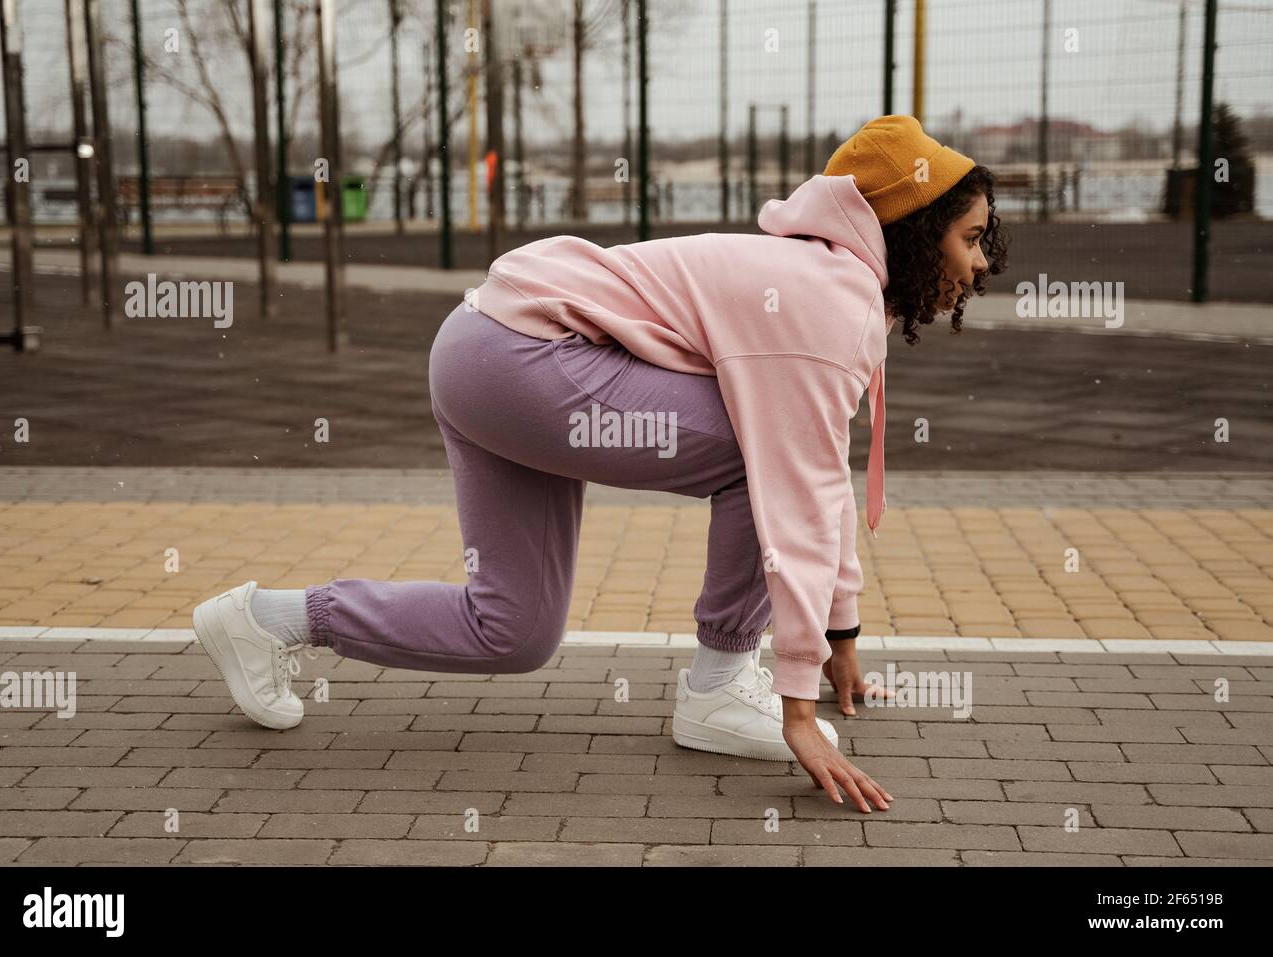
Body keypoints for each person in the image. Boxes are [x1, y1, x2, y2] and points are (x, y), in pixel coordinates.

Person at [192, 115, 1009, 813]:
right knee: (751, 451)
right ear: (910, 227)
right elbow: (801, 494)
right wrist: (797, 705)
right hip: (522, 356)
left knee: (513, 630)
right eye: (970, 239)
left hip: (484, 351)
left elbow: (817, 480)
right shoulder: (828, 302)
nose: (980, 265)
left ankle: (266, 619)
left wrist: (841, 641)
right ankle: (720, 686)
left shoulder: (828, 285)